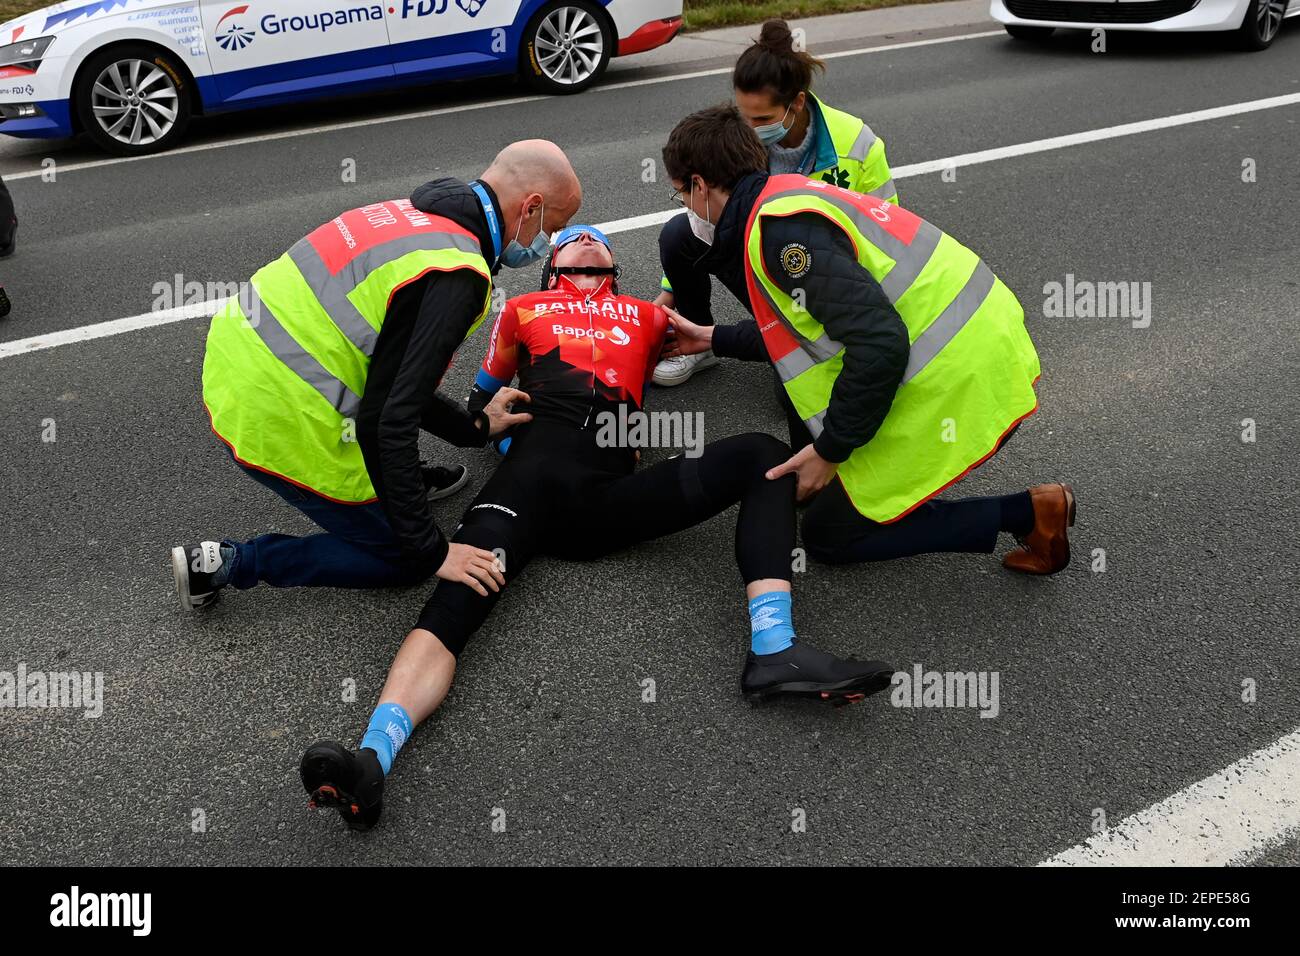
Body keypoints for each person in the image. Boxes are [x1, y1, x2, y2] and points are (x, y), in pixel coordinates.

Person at [298, 225, 895, 831]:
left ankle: (774, 648)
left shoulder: (648, 316)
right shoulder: (522, 310)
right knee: (451, 608)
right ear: (551, 265)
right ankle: (372, 760)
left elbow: (780, 335)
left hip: (611, 499)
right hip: (526, 489)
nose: (586, 240)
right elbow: (482, 405)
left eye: (597, 239)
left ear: (614, 264)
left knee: (762, 457)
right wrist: (488, 422)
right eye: (572, 238)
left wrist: (719, 339)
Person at [659, 106, 1077, 576]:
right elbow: (803, 333)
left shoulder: (779, 238)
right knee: (819, 465)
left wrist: (831, 450)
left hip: (959, 364)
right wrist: (713, 338)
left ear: (699, 184)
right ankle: (845, 476)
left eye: (681, 196)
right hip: (966, 332)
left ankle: (1029, 513)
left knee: (830, 535)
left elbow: (879, 344)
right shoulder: (780, 200)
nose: (688, 211)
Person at [170, 141, 580, 610]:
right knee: (402, 558)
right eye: (555, 226)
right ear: (530, 208)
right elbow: (387, 420)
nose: (549, 243)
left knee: (393, 465)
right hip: (275, 405)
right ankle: (229, 562)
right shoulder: (456, 274)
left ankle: (397, 490)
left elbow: (392, 375)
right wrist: (432, 550)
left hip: (237, 353)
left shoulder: (408, 214)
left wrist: (475, 427)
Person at [653, 18, 897, 387]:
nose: (750, 129)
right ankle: (700, 340)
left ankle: (799, 339)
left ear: (796, 103)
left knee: (798, 395)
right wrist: (669, 294)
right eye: (743, 116)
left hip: (831, 274)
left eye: (763, 118)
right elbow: (710, 216)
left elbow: (886, 227)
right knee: (679, 233)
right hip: (770, 256)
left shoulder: (857, 143)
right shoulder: (737, 141)